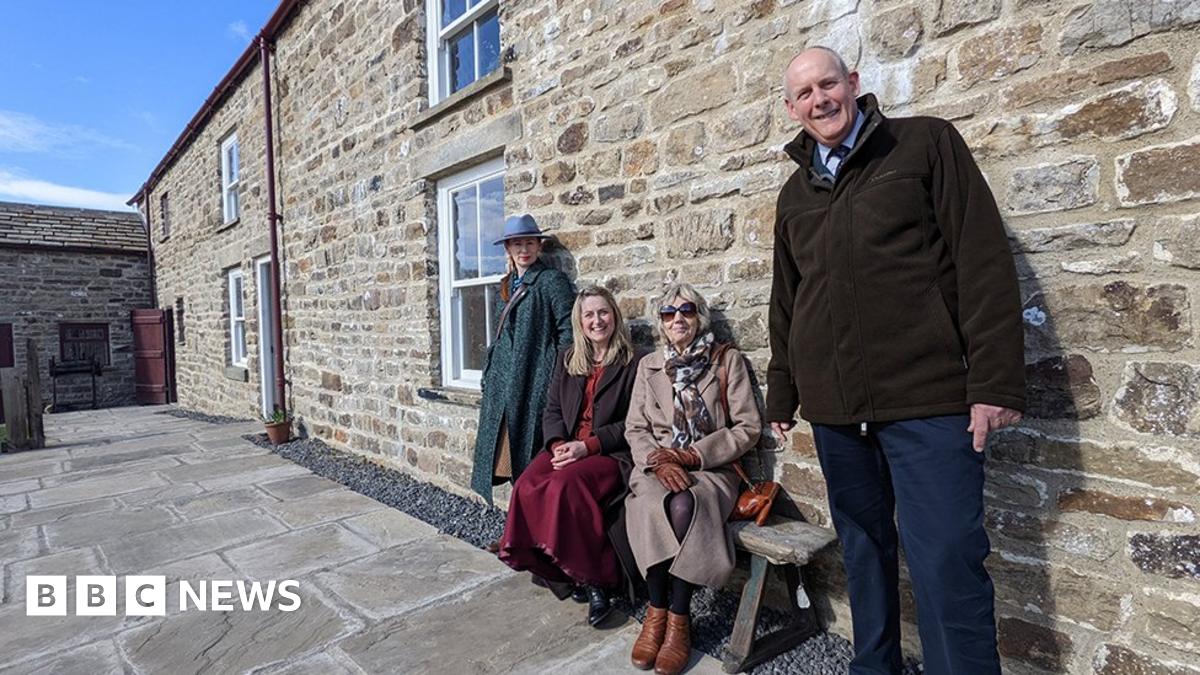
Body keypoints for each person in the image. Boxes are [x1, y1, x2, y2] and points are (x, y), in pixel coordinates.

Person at [767, 46, 1026, 675]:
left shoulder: (925, 145)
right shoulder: (794, 194)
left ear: (853, 84)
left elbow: (983, 260)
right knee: (863, 549)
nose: (819, 100)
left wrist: (994, 382)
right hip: (836, 412)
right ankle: (873, 665)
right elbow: (788, 298)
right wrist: (783, 391)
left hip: (929, 402)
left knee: (945, 557)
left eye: (828, 84)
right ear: (790, 107)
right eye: (803, 93)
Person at [624, 282, 761, 675]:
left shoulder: (725, 360)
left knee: (686, 503)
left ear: (699, 317)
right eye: (669, 313)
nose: (677, 319)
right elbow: (636, 428)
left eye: (686, 310)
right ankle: (657, 612)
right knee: (652, 501)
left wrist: (690, 455)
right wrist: (659, 461)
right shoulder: (648, 365)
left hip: (711, 468)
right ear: (661, 323)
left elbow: (747, 427)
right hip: (657, 464)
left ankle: (679, 621)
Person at [497, 286, 648, 627]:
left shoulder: (635, 361)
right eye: (589, 315)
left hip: (610, 452)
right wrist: (555, 444)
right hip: (566, 445)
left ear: (615, 316)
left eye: (603, 312)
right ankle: (556, 568)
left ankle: (595, 582)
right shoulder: (568, 358)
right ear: (580, 322)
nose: (597, 321)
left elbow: (637, 422)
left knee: (566, 486)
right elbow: (551, 410)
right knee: (526, 484)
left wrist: (588, 446)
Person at [470, 214, 575, 504]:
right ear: (508, 249)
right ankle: (518, 526)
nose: (523, 250)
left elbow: (568, 332)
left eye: (529, 243)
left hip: (534, 380)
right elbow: (501, 335)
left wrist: (551, 377)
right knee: (505, 454)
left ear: (539, 247)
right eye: (517, 244)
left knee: (530, 456)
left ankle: (530, 528)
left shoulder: (551, 281)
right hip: (502, 382)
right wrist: (490, 371)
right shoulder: (506, 285)